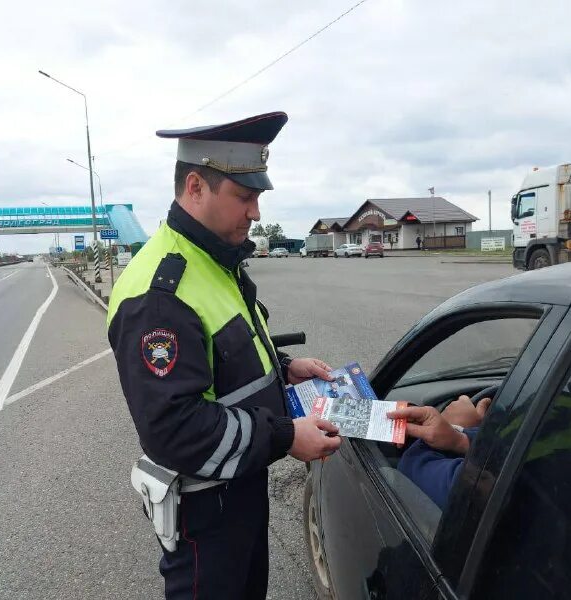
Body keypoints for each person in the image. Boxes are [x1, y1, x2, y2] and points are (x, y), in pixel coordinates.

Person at [107, 111, 342, 600]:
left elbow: (226, 348)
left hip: (241, 485)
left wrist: (285, 369)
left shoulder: (213, 260)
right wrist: (284, 437)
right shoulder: (160, 293)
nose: (255, 212)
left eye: (257, 197)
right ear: (195, 186)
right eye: (244, 196)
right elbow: (174, 427)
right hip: (204, 514)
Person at [388, 396, 491, 509]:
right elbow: (503, 455)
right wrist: (462, 440)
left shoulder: (481, 485)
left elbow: (410, 472)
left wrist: (455, 426)